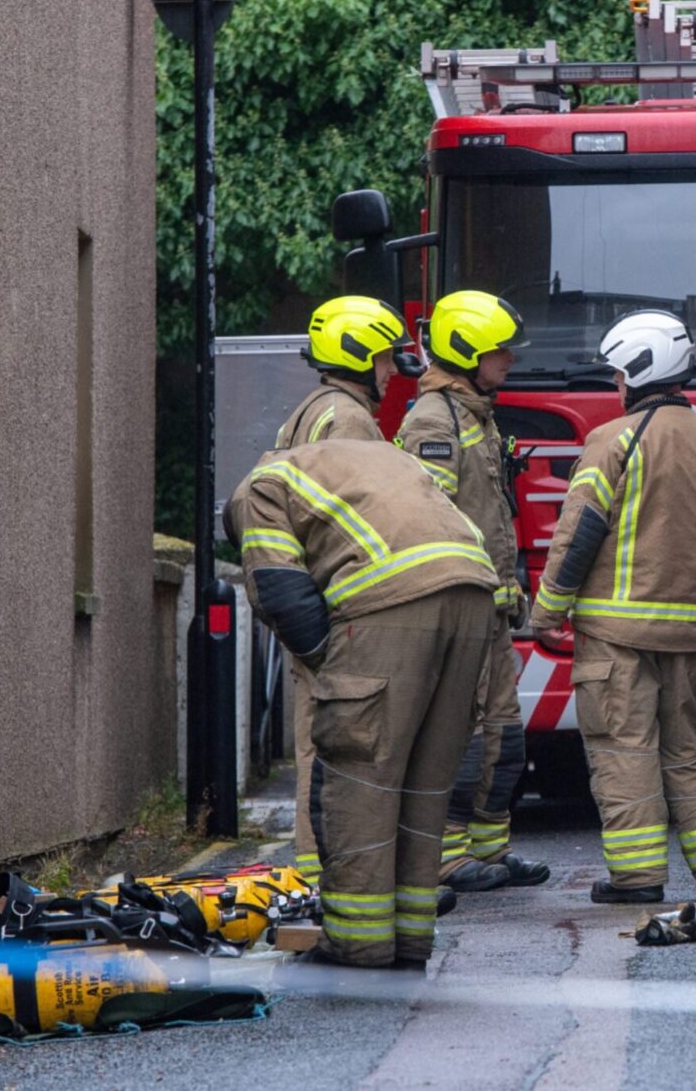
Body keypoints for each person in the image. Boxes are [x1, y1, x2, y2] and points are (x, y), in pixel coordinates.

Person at [226, 438, 499, 967]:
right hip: (474, 592)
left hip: (391, 597)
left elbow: (279, 588)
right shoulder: (371, 458)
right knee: (425, 780)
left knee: (360, 779)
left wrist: (332, 672)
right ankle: (411, 940)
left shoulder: (260, 489)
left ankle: (359, 945)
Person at [529, 310, 696, 904]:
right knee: (688, 753)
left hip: (617, 636)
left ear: (637, 371)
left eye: (619, 374)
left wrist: (546, 611)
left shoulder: (613, 441)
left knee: (624, 753)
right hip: (688, 635)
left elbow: (578, 534)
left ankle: (638, 878)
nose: (616, 384)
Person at [395, 291, 549, 893]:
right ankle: (447, 855)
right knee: (462, 737)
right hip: (460, 613)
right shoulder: (434, 421)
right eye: (499, 350)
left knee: (503, 740)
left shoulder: (476, 415)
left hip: (491, 612)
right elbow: (429, 519)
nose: (510, 359)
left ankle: (490, 847)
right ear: (466, 354)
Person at [272, 296, 424, 886]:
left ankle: (318, 873)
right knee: (341, 744)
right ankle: (330, 875)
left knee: (317, 740)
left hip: (312, 600)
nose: (390, 372)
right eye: (384, 359)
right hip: (342, 606)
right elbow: (362, 516)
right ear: (357, 355)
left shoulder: (310, 411)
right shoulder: (349, 421)